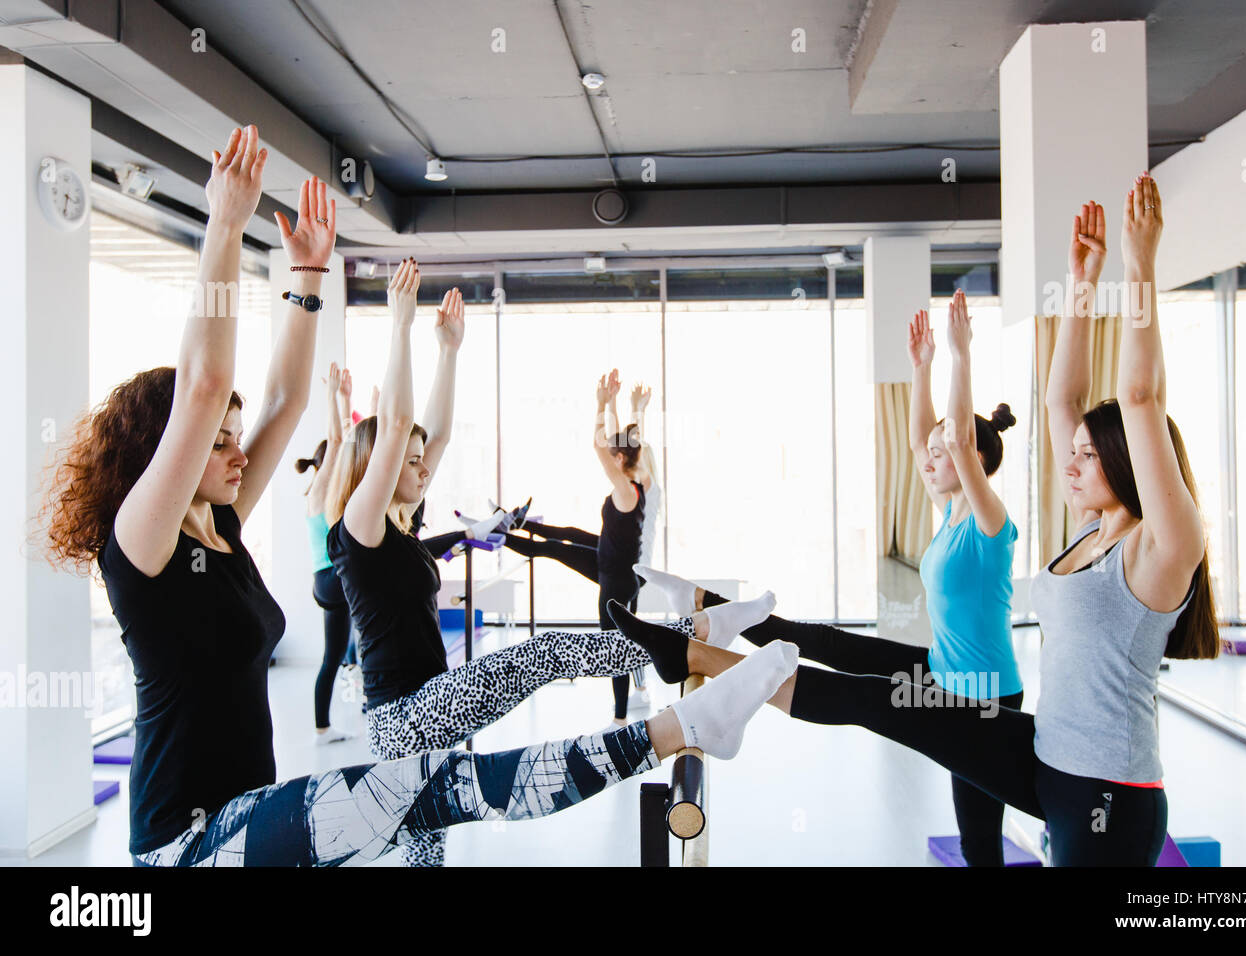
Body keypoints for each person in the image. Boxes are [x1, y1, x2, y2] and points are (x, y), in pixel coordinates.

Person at [40, 125, 794, 868]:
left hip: (249, 814)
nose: (240, 452)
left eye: (234, 437)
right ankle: (683, 724)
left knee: (434, 793)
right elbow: (203, 390)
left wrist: (306, 282)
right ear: (161, 454)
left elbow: (286, 399)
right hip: (186, 844)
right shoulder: (139, 545)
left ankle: (685, 705)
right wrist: (226, 227)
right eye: (217, 441)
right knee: (435, 786)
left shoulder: (223, 530)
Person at [612, 175, 1219, 867]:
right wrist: (1082, 287)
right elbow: (1062, 398)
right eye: (1071, 451)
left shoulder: (1162, 547)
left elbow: (1139, 396)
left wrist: (1139, 265)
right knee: (877, 701)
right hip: (1043, 751)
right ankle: (690, 656)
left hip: (1107, 792)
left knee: (884, 706)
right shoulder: (1090, 534)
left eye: (1088, 454)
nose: (1070, 463)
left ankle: (696, 652)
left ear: (1130, 460)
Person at [326, 259, 778, 867]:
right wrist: (401, 326)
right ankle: (695, 631)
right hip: (405, 718)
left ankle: (693, 637)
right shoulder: (358, 529)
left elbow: (433, 436)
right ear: (375, 470)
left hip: (422, 708)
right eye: (407, 462)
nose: (421, 467)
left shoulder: (401, 527)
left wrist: (451, 351)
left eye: (417, 459)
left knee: (423, 845)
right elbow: (397, 433)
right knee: (544, 655)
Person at [488, 370, 658, 723]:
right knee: (559, 540)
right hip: (611, 563)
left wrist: (600, 402)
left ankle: (620, 719)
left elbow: (600, 445)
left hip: (616, 580)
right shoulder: (635, 480)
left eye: (614, 454)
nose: (608, 455)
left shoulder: (627, 490)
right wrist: (617, 405)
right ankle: (508, 527)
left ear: (620, 460)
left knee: (614, 650)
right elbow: (624, 441)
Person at [296, 361, 356, 742]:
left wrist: (346, 398)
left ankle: (323, 728)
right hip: (334, 578)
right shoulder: (320, 489)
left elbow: (345, 444)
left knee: (333, 655)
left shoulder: (322, 495)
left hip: (325, 580)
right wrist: (334, 396)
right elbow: (338, 442)